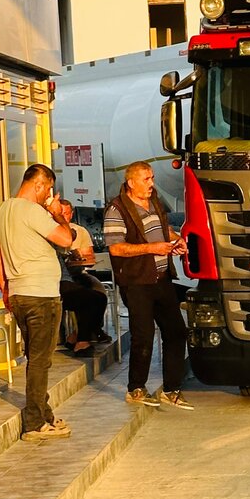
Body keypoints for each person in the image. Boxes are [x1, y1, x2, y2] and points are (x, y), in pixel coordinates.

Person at [0, 164, 74, 440]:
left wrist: (5, 289)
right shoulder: (33, 211)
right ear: (38, 185)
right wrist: (58, 214)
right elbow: (67, 240)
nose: (48, 194)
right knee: (41, 360)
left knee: (35, 357)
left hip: (19, 293)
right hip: (41, 295)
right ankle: (34, 423)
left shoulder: (0, 211)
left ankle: (45, 412)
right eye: (48, 189)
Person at [103, 161, 192, 409]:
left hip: (161, 278)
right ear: (131, 183)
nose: (151, 183)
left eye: (152, 178)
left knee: (176, 332)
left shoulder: (153, 203)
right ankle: (136, 388)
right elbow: (116, 247)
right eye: (146, 179)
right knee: (143, 334)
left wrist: (177, 241)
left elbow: (163, 230)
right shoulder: (116, 209)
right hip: (136, 281)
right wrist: (152, 249)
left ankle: (172, 388)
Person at [57, 199, 109, 356]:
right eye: (61, 214)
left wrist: (77, 257)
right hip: (61, 279)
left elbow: (89, 256)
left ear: (72, 214)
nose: (65, 217)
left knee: (99, 291)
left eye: (67, 213)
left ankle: (84, 334)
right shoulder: (53, 231)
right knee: (91, 298)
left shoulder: (80, 231)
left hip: (80, 273)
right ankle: (84, 338)